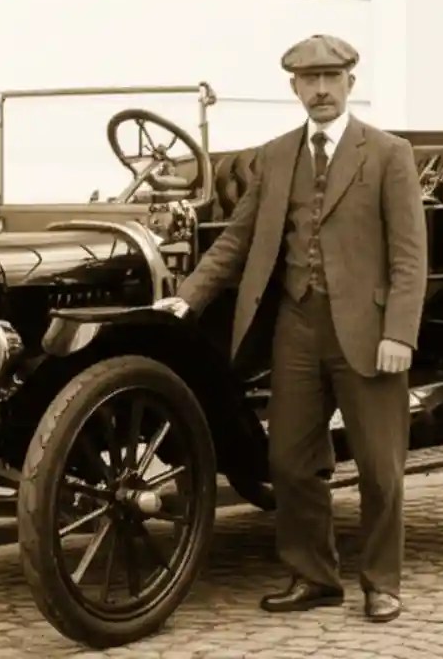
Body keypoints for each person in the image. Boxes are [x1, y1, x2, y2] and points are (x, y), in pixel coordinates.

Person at [154, 33, 428, 623]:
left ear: (352, 83)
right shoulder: (274, 156)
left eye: (332, 79)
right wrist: (187, 300)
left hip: (368, 328)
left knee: (381, 467)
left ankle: (381, 583)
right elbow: (237, 238)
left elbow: (409, 254)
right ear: (295, 88)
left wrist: (400, 333)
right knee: (288, 463)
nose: (322, 90)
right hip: (296, 326)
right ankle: (313, 576)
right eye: (310, 81)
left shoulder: (387, 154)